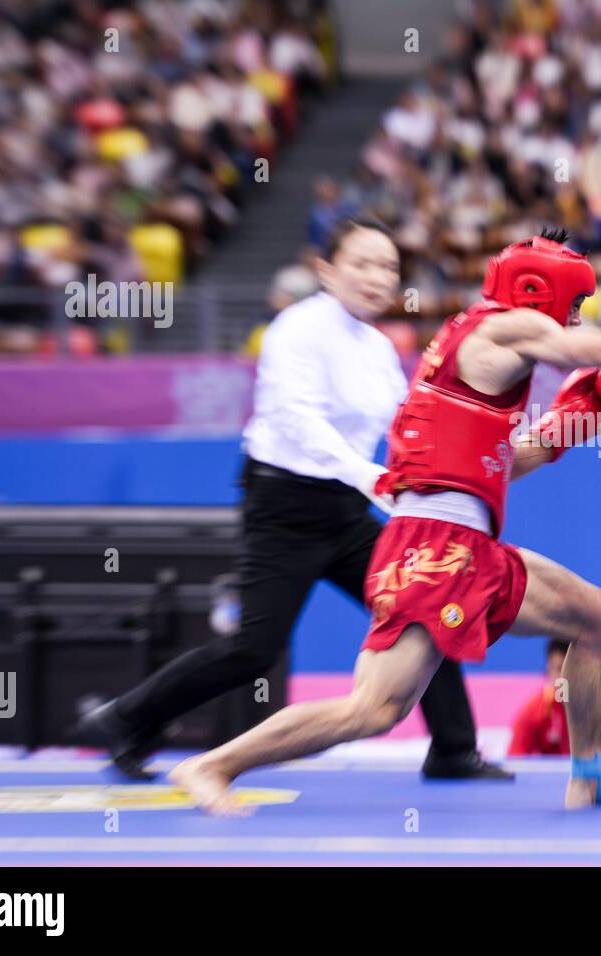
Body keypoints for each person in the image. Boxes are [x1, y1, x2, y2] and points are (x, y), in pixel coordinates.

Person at [170, 231, 601, 814]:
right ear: (537, 291)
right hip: (434, 549)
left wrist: (566, 430)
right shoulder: (508, 325)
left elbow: (493, 469)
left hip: (457, 541)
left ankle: (589, 777)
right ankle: (212, 765)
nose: (574, 316)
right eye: (572, 303)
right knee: (375, 709)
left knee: (597, 617)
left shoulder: (480, 350)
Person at [81, 219, 510, 782]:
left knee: (424, 606)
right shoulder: (296, 329)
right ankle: (126, 719)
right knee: (254, 650)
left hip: (348, 511)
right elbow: (296, 418)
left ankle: (454, 750)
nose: (378, 277)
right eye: (362, 263)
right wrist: (369, 476)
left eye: (388, 267)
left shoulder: (381, 348)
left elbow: (407, 424)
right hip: (285, 506)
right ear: (326, 270)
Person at [508, 640, 601, 757]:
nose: (558, 679)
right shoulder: (536, 709)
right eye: (554, 669)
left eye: (564, 669)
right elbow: (515, 761)